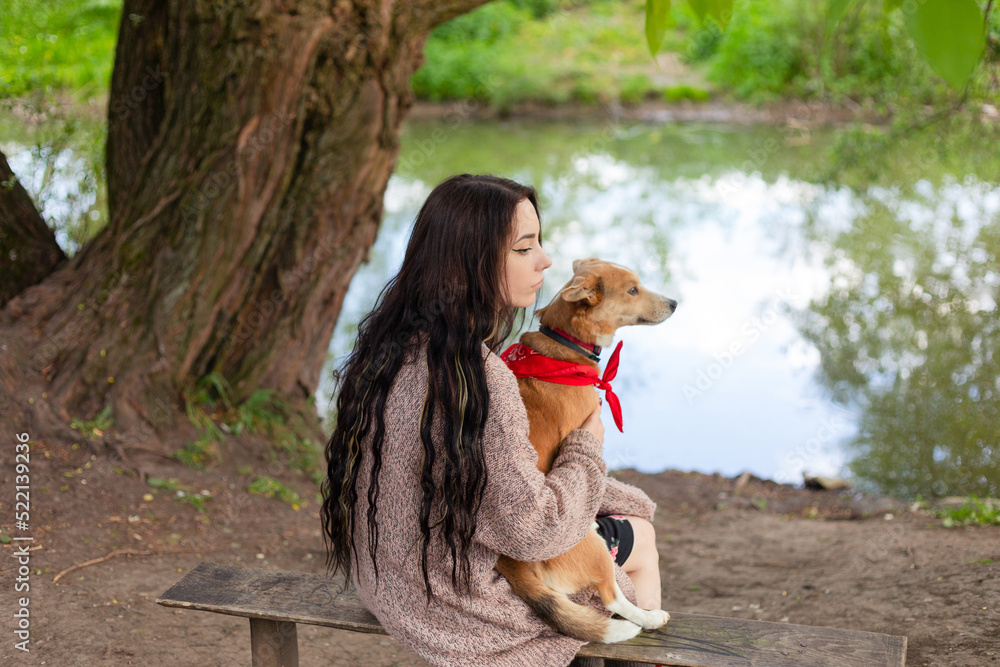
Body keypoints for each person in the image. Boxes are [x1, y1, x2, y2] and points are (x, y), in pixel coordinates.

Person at [320, 174, 662, 667]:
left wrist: (608, 492)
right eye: (525, 249)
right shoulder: (482, 377)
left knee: (625, 519)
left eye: (540, 242)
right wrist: (587, 447)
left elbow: (496, 477)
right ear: (471, 262)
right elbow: (533, 532)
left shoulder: (388, 350)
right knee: (640, 539)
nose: (545, 260)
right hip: (460, 600)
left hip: (387, 577)